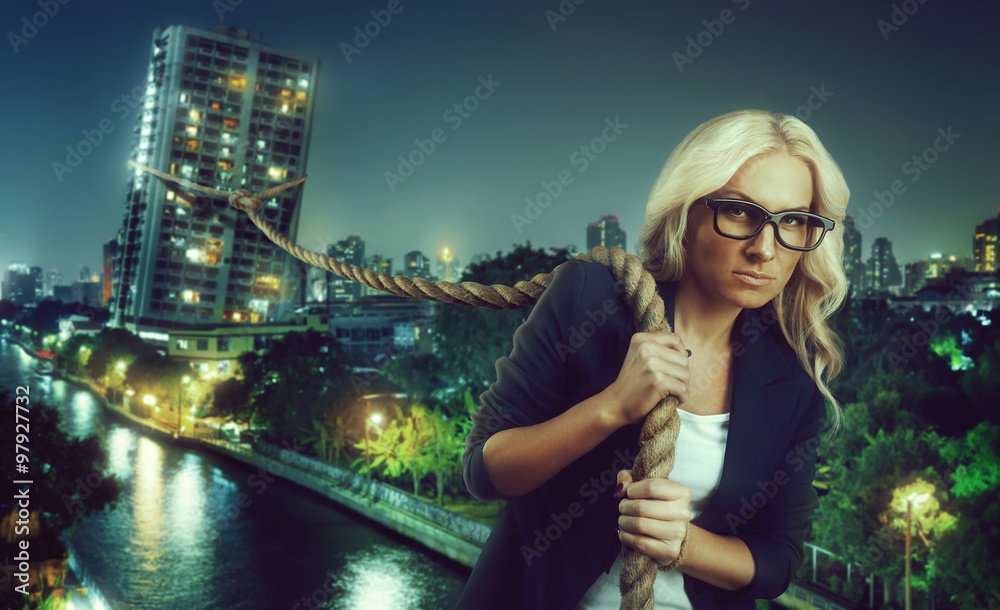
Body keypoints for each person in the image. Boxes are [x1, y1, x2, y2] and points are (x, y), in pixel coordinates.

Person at [455, 109, 848, 610]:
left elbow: (779, 559)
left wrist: (684, 544)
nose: (764, 249)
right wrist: (611, 407)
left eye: (793, 220)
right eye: (741, 212)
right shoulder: (589, 299)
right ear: (687, 215)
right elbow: (484, 472)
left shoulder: (794, 376)